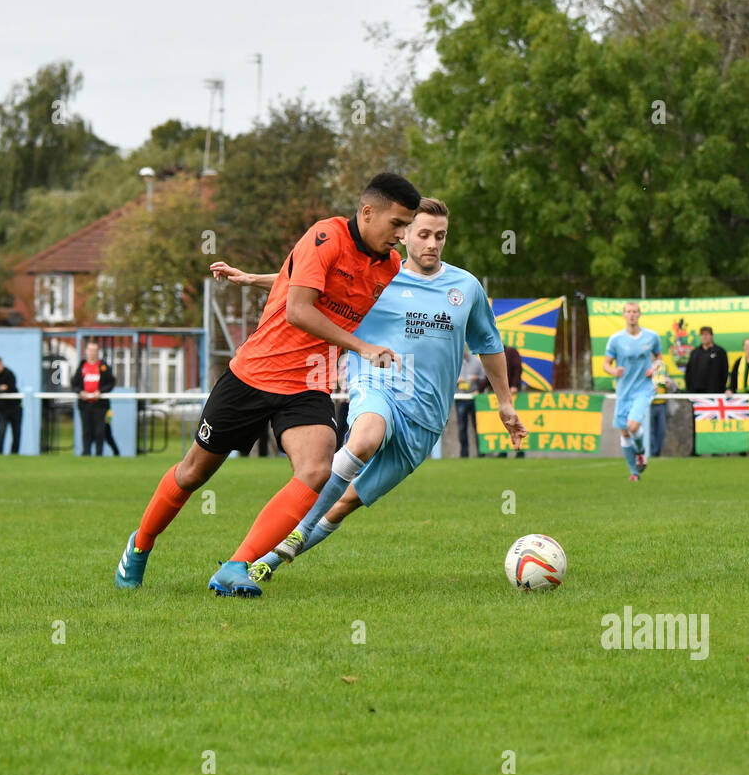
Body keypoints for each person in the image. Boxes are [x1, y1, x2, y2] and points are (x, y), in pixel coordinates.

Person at [114, 173, 420, 598]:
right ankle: (140, 545)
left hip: (310, 382)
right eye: (397, 224)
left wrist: (254, 278)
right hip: (253, 376)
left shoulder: (388, 267)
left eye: (408, 227)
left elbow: (304, 279)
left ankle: (236, 566)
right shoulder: (325, 236)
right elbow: (298, 308)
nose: (402, 236)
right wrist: (362, 347)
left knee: (315, 469)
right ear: (368, 212)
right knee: (191, 474)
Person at [226, 197, 524, 582]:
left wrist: (505, 404)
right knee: (365, 438)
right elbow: (312, 283)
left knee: (345, 503)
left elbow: (489, 345)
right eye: (423, 234)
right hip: (377, 383)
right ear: (404, 236)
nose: (432, 243)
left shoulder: (465, 288)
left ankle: (268, 562)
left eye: (440, 236)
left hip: (426, 420)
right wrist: (253, 279)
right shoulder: (380, 276)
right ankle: (280, 539)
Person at [604, 301, 662, 482]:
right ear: (623, 315)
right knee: (625, 432)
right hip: (624, 391)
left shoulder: (651, 337)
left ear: (639, 314)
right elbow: (606, 364)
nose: (632, 315)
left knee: (633, 425)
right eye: (628, 312)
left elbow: (659, 359)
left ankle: (641, 453)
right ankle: (634, 472)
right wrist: (614, 371)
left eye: (635, 312)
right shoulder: (616, 339)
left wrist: (655, 368)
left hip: (644, 389)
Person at [684, 326, 728, 455]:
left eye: (707, 334)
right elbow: (689, 373)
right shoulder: (695, 352)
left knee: (714, 422)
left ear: (712, 336)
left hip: (714, 394)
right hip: (698, 395)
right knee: (697, 423)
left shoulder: (719, 352)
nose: (705, 337)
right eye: (702, 335)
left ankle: (716, 450)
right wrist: (690, 391)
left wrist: (721, 391)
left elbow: (724, 373)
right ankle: (696, 449)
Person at [72, 342, 116, 456]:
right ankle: (86, 453)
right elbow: (74, 383)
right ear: (86, 351)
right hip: (85, 404)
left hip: (100, 404)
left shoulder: (103, 366)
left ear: (97, 352)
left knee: (100, 430)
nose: (92, 353)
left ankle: (98, 454)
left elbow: (111, 382)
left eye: (94, 350)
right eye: (90, 350)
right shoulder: (82, 366)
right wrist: (80, 392)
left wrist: (100, 391)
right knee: (86, 430)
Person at [456, 348, 488, 457]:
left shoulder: (477, 362)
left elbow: (485, 378)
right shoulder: (455, 362)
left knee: (478, 426)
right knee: (462, 428)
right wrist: (456, 380)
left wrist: (476, 378)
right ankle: (464, 455)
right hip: (460, 398)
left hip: (475, 398)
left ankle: (481, 453)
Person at [496, 345, 525, 458]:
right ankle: (503, 450)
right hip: (503, 394)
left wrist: (514, 385)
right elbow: (490, 374)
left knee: (518, 421)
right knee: (503, 422)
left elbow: (517, 368)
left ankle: (521, 450)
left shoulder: (512, 352)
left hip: (513, 393)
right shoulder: (492, 353)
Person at [649, 356, 676, 457]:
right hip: (649, 405)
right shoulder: (644, 366)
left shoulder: (663, 366)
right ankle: (651, 452)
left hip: (662, 404)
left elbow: (672, 385)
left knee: (661, 430)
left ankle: (657, 452)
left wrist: (670, 384)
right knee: (649, 431)